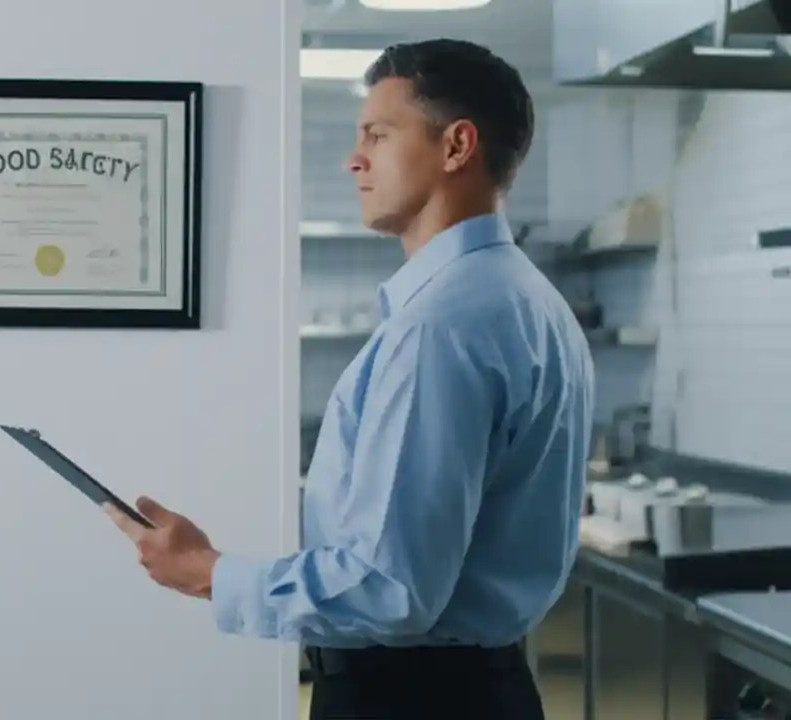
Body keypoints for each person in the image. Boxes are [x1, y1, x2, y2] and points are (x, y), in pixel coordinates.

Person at [105, 38, 594, 719]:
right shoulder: (529, 300)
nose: (354, 158)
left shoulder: (441, 326)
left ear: (456, 146)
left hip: (414, 701)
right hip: (480, 688)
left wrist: (208, 573)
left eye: (378, 134)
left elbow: (391, 588)